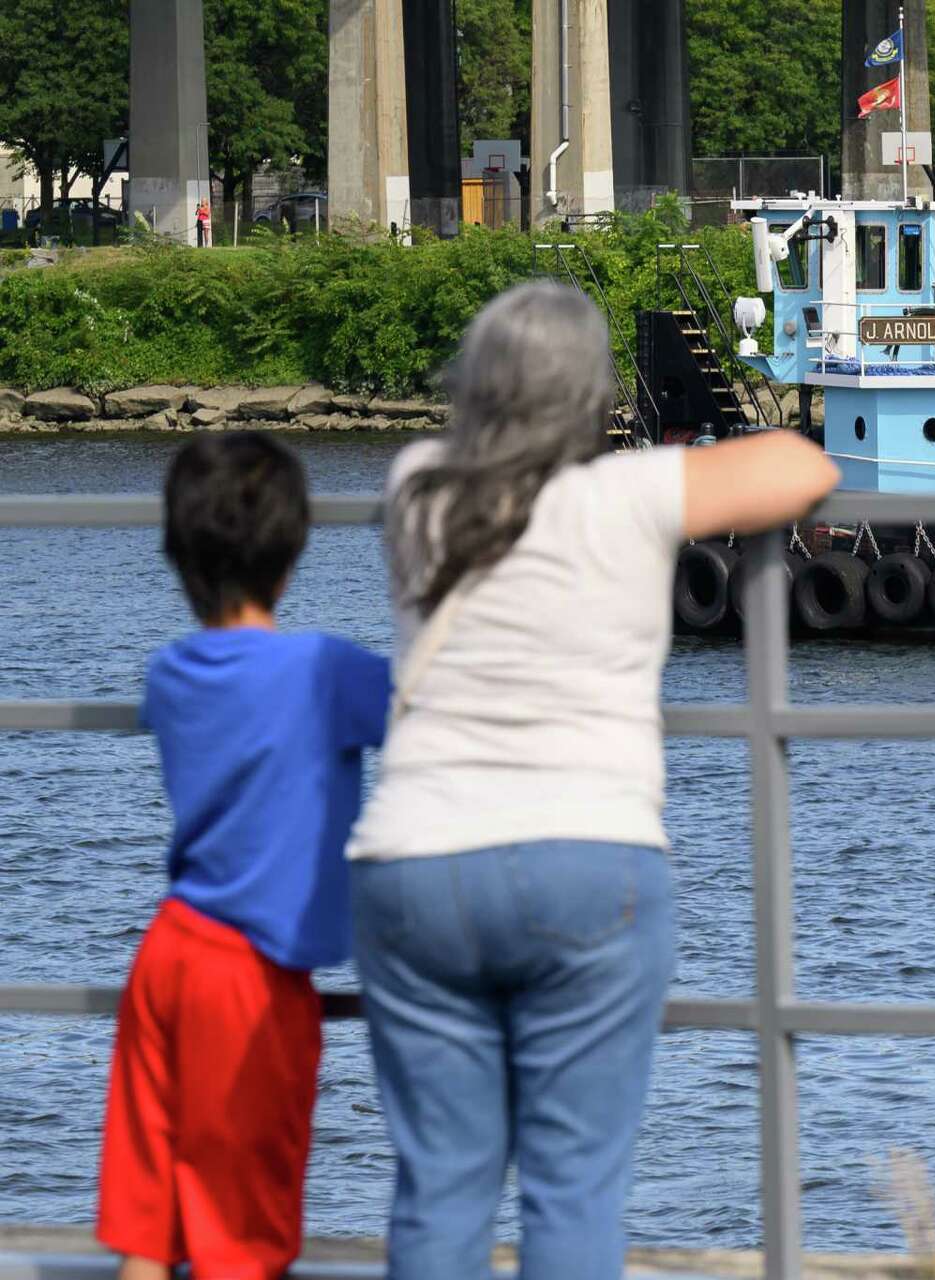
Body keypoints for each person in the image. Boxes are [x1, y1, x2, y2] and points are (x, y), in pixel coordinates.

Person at [348, 281, 840, 1280]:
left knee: (440, 1182)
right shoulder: (634, 491)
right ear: (592, 396)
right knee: (572, 1184)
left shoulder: (416, 483)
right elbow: (801, 464)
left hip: (413, 860)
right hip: (589, 858)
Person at [96, 433, 391, 1280]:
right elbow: (429, 712)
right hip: (252, 982)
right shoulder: (328, 671)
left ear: (177, 556)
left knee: (149, 1238)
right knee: (241, 1244)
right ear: (293, 554)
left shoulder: (168, 674)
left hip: (169, 955)